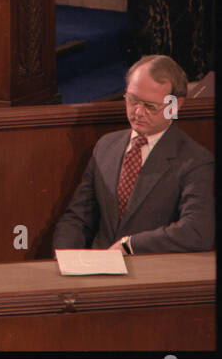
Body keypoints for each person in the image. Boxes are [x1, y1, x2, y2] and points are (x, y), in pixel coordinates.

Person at [53, 55, 214, 255]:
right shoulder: (106, 146)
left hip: (149, 274)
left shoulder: (195, 161)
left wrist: (131, 245)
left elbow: (197, 231)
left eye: (150, 106)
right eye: (132, 100)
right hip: (94, 270)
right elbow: (78, 217)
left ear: (175, 106)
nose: (137, 112)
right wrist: (66, 257)